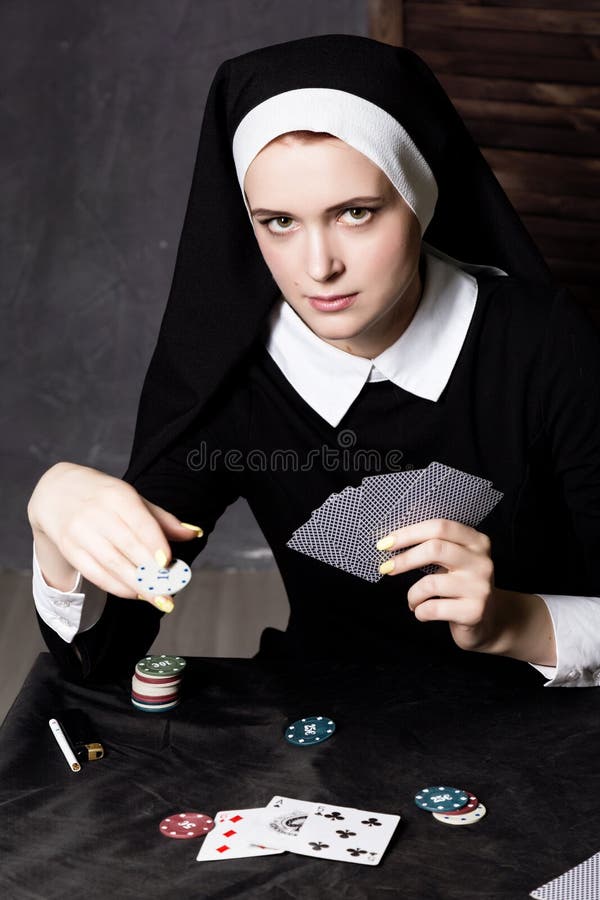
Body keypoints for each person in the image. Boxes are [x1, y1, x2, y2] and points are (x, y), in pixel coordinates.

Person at [27, 34, 600, 686]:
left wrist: (512, 622)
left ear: (419, 199)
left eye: (356, 213)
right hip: (329, 724)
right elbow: (99, 656)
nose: (319, 267)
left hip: (542, 724)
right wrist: (54, 530)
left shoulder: (543, 342)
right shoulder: (236, 374)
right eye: (278, 222)